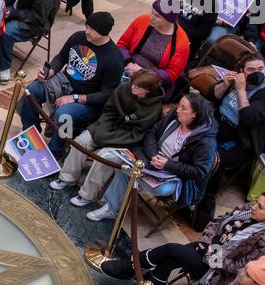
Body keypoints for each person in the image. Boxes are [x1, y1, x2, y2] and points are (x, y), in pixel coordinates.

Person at [104, 189, 265, 285]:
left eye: (260, 207)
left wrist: (211, 253)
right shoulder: (249, 210)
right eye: (257, 202)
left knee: (171, 250)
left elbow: (241, 267)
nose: (254, 207)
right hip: (207, 248)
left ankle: (129, 267)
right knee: (168, 259)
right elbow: (217, 222)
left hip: (217, 269)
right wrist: (207, 243)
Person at [85, 93, 216, 224]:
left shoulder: (205, 142)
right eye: (179, 105)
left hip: (175, 177)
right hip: (152, 160)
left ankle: (111, 207)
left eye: (183, 108)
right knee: (125, 167)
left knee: (131, 172)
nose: (178, 110)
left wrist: (167, 164)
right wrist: (153, 154)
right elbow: (152, 133)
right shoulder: (173, 117)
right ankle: (111, 208)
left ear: (195, 114)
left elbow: (199, 171)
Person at [191, 51, 265, 226]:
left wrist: (240, 90)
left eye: (260, 68)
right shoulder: (235, 81)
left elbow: (248, 117)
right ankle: (183, 193)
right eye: (251, 69)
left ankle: (202, 216)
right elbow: (212, 95)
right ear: (241, 71)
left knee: (213, 162)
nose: (257, 72)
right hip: (217, 127)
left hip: (242, 142)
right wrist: (226, 83)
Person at [18, 10, 124, 156]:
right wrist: (50, 73)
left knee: (64, 115)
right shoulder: (78, 37)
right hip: (64, 81)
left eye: (92, 30)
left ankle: (57, 149)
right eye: (87, 26)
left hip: (88, 100)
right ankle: (31, 133)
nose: (87, 32)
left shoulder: (114, 59)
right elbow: (61, 57)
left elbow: (107, 94)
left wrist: (74, 98)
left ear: (103, 33)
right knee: (31, 91)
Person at [50, 73, 164, 202]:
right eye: (133, 83)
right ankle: (67, 178)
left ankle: (87, 195)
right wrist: (103, 132)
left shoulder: (155, 109)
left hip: (125, 141)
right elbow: (108, 111)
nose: (132, 86)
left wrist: (110, 138)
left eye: (137, 87)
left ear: (146, 91)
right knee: (81, 141)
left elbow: (138, 134)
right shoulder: (124, 89)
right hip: (107, 127)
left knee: (105, 157)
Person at [118, 0, 191, 96]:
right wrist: (128, 63)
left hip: (151, 81)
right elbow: (122, 44)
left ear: (169, 20)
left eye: (157, 16)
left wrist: (142, 72)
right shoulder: (142, 20)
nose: (151, 17)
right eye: (152, 12)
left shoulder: (182, 42)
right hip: (128, 66)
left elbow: (171, 75)